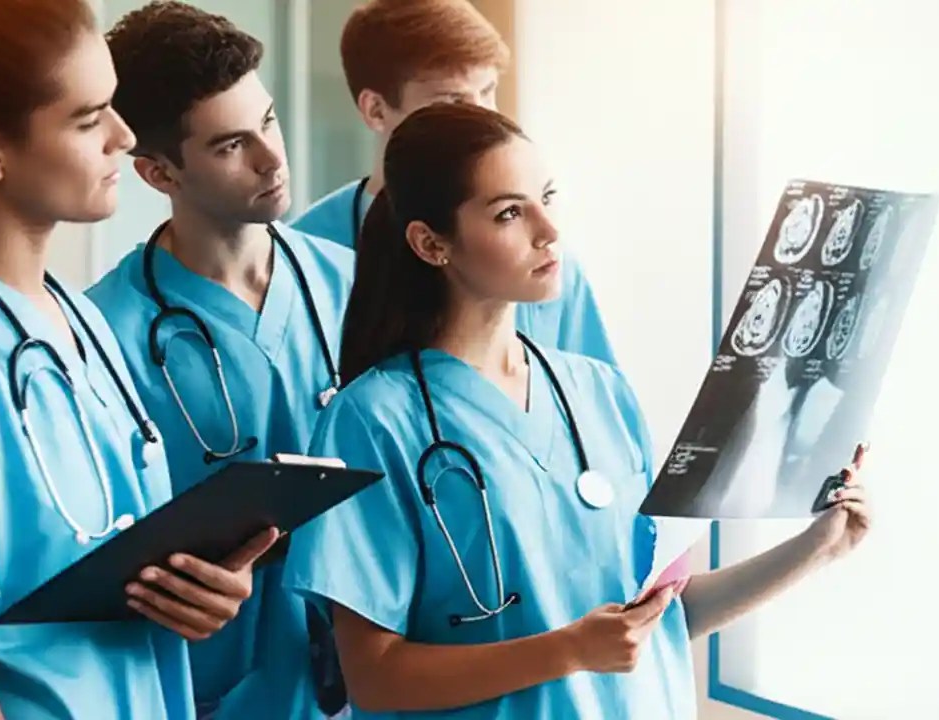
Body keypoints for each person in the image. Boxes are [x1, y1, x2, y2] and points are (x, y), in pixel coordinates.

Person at [283, 103, 872, 719]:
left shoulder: (599, 393)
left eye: (548, 197)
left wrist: (817, 548)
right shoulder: (373, 420)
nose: (549, 230)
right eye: (510, 212)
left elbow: (662, 618)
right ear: (432, 244)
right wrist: (567, 651)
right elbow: (375, 677)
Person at [0, 1, 274, 718]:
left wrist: (201, 591)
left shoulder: (80, 320)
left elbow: (102, 574)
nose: (124, 138)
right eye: (90, 120)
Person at [87, 3, 353, 718]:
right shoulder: (101, 336)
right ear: (155, 172)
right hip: (218, 694)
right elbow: (102, 564)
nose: (272, 158)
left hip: (370, 686)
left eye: (267, 121)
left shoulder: (357, 286)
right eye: (232, 146)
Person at [289, 0, 616, 366]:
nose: (483, 116)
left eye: (489, 90)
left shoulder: (546, 263)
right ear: (376, 110)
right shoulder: (302, 257)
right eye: (452, 100)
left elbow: (593, 409)